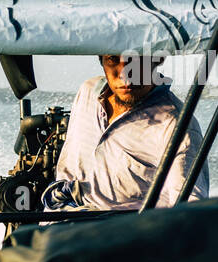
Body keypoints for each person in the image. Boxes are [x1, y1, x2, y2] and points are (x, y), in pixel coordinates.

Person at [41, 54, 209, 211]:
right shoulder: (87, 92)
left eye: (136, 60)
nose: (125, 75)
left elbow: (189, 211)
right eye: (113, 60)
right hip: (56, 223)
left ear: (157, 59)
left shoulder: (176, 127)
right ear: (102, 60)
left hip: (115, 235)